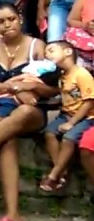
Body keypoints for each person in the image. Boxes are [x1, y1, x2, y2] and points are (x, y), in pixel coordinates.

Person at [0, 3, 55, 221]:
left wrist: (28, 88)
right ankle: (12, 212)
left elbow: (53, 88)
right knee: (8, 139)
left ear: (20, 18)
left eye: (11, 19)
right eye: (0, 22)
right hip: (0, 108)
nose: (7, 25)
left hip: (33, 110)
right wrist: (13, 87)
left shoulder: (37, 46)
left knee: (22, 112)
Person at [38, 40, 94, 193]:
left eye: (51, 50)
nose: (47, 54)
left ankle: (53, 175)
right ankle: (61, 171)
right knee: (49, 133)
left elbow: (89, 102)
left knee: (69, 138)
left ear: (68, 52)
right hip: (66, 113)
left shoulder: (81, 74)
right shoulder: (62, 75)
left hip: (86, 116)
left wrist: (72, 122)